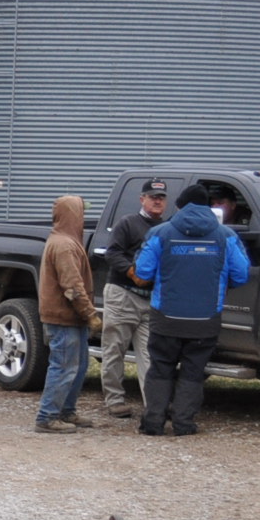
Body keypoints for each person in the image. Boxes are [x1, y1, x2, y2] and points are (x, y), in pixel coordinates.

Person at [133, 184, 251, 437]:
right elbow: (241, 274)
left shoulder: (160, 233)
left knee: (160, 368)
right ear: (208, 207)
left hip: (165, 317)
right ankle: (184, 424)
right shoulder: (226, 236)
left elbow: (143, 271)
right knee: (193, 372)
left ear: (180, 206)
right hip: (206, 318)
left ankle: (153, 423)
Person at [99, 179, 168, 418]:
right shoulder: (127, 223)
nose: (157, 201)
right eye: (152, 197)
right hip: (122, 294)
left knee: (149, 354)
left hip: (151, 300)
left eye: (161, 197)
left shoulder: (166, 228)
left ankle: (153, 405)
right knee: (114, 349)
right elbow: (112, 253)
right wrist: (131, 272)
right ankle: (114, 400)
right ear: (142, 199)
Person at [34, 194, 98, 433]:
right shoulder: (64, 245)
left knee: (78, 366)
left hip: (72, 318)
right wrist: (90, 314)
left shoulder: (67, 241)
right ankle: (47, 417)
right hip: (62, 318)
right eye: (82, 212)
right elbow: (72, 286)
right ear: (73, 214)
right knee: (63, 366)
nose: (84, 217)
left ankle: (66, 411)